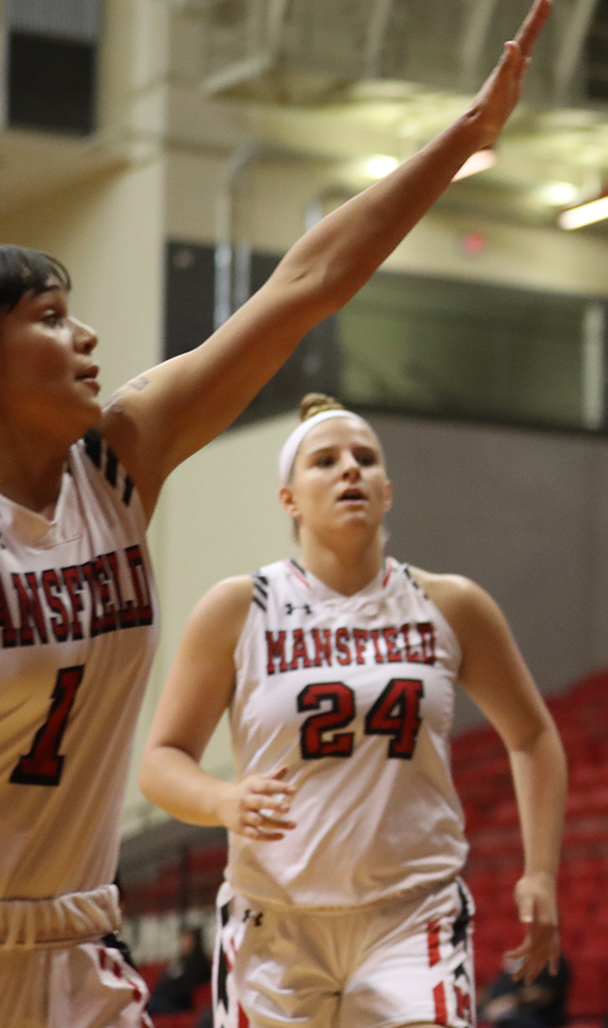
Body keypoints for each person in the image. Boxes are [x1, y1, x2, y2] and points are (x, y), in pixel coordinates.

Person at [0, 0, 554, 1028]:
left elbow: (308, 280)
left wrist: (465, 139)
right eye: (49, 318)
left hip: (75, 937)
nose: (85, 339)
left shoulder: (119, 460)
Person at [138, 393, 568, 1027]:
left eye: (365, 459)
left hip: (411, 913)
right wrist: (221, 800)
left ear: (387, 492)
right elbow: (160, 761)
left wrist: (541, 872)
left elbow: (533, 737)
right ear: (288, 499)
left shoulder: (450, 604)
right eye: (326, 461)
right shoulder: (239, 607)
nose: (350, 470)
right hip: (274, 918)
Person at [482, 955, 571, 1028]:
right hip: (511, 1011)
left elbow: (542, 995)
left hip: (541, 1018)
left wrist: (509, 1002)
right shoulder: (523, 960)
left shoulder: (555, 963)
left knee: (511, 1021)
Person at [146, 927, 213, 1015]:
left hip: (178, 1002)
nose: (183, 942)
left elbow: (188, 984)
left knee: (147, 1007)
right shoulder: (180, 960)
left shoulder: (198, 961)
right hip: (163, 998)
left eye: (186, 939)